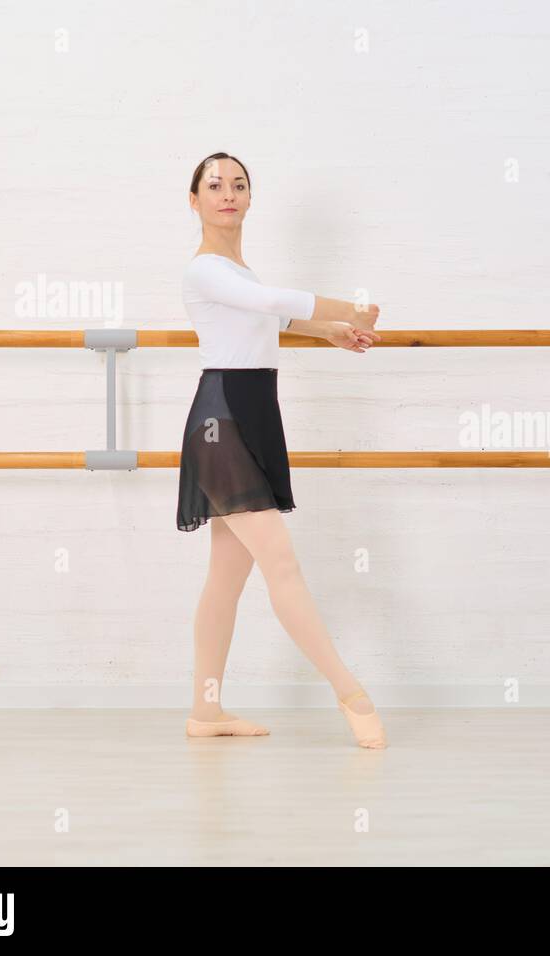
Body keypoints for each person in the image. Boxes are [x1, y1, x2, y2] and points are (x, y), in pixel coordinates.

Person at [177, 151, 387, 749]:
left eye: (239, 185)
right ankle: (351, 692)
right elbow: (272, 306)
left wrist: (333, 332)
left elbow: (268, 320)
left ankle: (206, 711)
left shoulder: (240, 275)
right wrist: (349, 309)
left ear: (250, 198)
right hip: (222, 424)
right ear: (193, 201)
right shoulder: (203, 270)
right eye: (214, 185)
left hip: (253, 418)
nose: (228, 193)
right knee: (282, 565)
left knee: (225, 578)